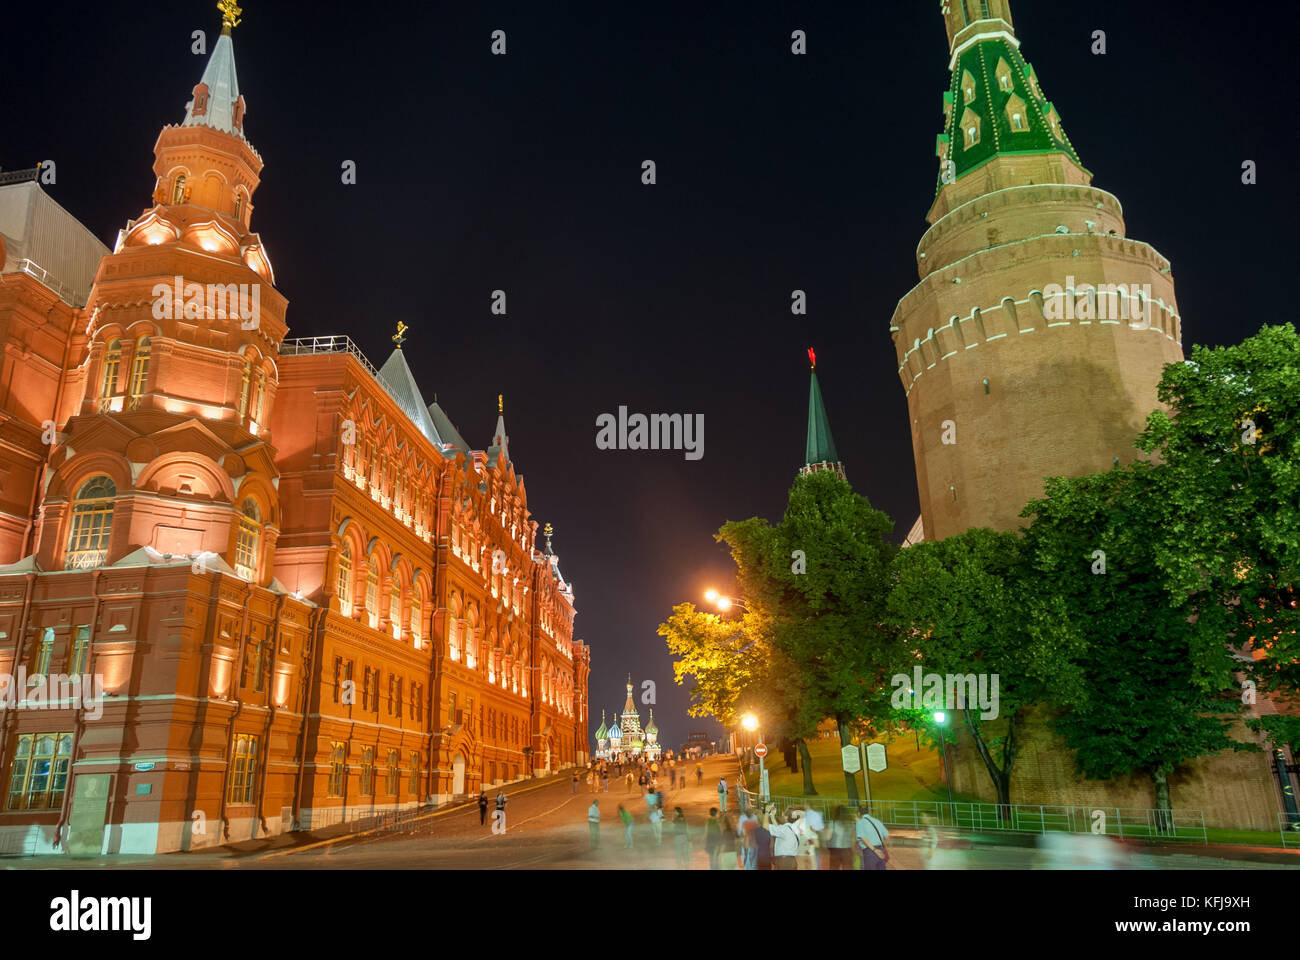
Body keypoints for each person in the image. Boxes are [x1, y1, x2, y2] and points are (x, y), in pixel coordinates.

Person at [856, 805, 890, 870]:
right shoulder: (877, 821)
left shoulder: (859, 823)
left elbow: (863, 838)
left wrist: (874, 850)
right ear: (869, 812)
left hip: (869, 851)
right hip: (880, 850)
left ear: (859, 813)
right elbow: (887, 836)